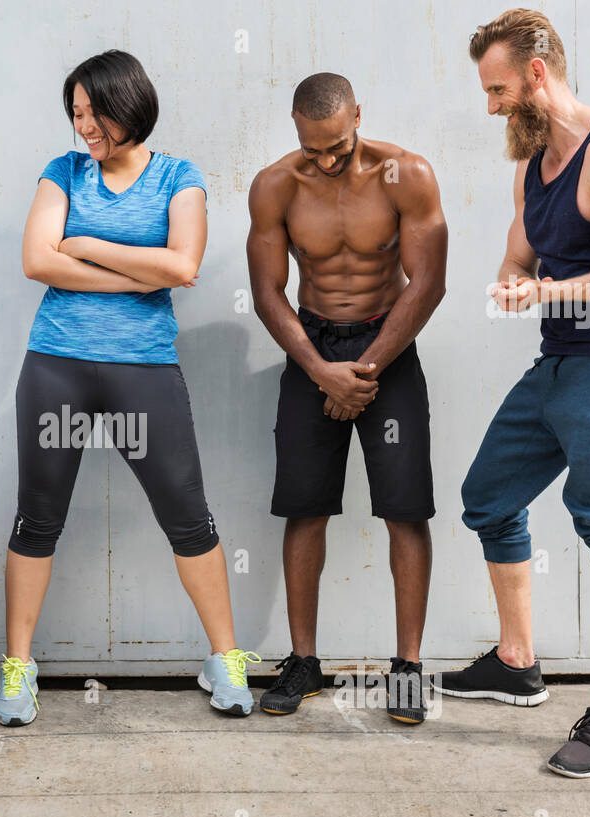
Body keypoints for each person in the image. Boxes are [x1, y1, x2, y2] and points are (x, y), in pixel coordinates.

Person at [439, 9, 590, 777]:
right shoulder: (532, 160)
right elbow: (520, 255)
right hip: (560, 361)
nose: (492, 106)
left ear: (538, 74)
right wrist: (514, 285)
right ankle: (517, 660)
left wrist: (557, 291)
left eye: (499, 88)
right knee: (488, 495)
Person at [0, 49, 259, 725]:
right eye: (76, 113)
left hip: (143, 369)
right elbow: (35, 259)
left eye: (94, 112)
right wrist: (141, 274)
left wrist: (80, 244)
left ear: (128, 105)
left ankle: (224, 657)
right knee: (37, 515)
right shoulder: (62, 172)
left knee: (187, 515)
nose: (84, 126)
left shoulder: (180, 175)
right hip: (57, 363)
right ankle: (18, 666)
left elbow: (183, 262)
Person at [246, 73, 448, 723]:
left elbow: (429, 283)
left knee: (405, 508)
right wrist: (319, 369)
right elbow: (269, 293)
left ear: (358, 115)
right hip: (312, 348)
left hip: (386, 347)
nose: (326, 160)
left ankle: (408, 667)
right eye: (313, 148)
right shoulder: (277, 185)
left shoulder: (407, 174)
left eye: (336, 146)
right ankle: (304, 662)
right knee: (305, 508)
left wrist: (360, 372)